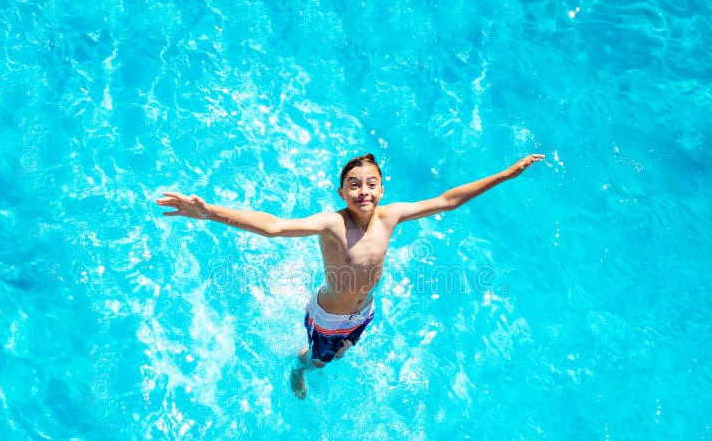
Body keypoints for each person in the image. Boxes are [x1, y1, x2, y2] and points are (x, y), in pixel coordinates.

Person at [157, 152, 544, 399]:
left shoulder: (391, 216)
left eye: (371, 184)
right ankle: (299, 367)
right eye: (354, 185)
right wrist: (209, 212)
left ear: (381, 188)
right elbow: (273, 226)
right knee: (320, 361)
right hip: (329, 319)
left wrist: (505, 175)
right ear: (342, 191)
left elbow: (448, 200)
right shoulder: (331, 223)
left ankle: (321, 355)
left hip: (363, 312)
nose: (364, 191)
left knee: (343, 353)